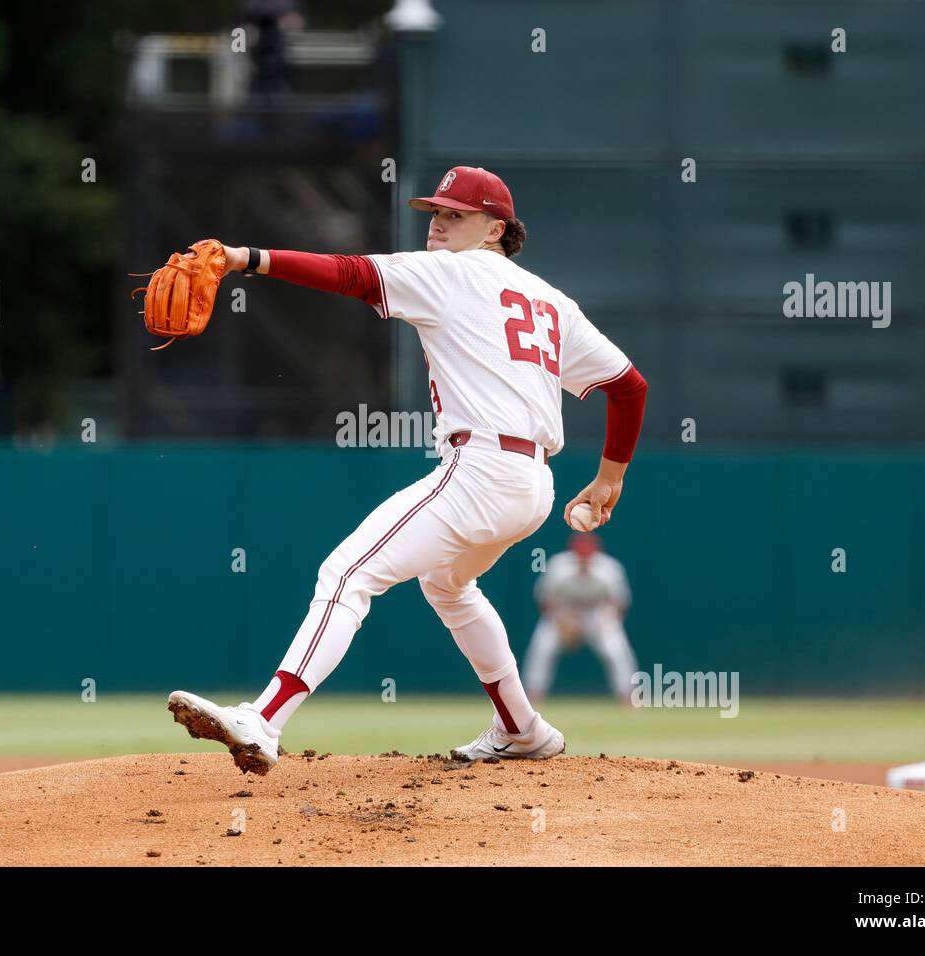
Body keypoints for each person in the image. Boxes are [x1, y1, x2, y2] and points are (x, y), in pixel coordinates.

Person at [168, 166, 648, 774]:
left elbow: (350, 274)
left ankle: (263, 719)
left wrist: (247, 257)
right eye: (435, 213)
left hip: (480, 472)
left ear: (494, 228)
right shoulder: (552, 300)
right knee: (447, 585)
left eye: (455, 214)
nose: (438, 224)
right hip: (532, 486)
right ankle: (521, 726)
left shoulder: (450, 272)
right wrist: (611, 478)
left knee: (346, 574)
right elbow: (629, 387)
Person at [524, 532, 638, 708]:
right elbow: (545, 600)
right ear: (573, 554)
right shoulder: (558, 566)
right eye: (581, 555)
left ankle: (628, 698)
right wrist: (562, 621)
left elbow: (619, 603)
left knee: (617, 650)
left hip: (597, 614)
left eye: (588, 555)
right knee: (542, 648)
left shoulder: (609, 568)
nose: (584, 559)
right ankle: (533, 697)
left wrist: (606, 620)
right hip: (564, 613)